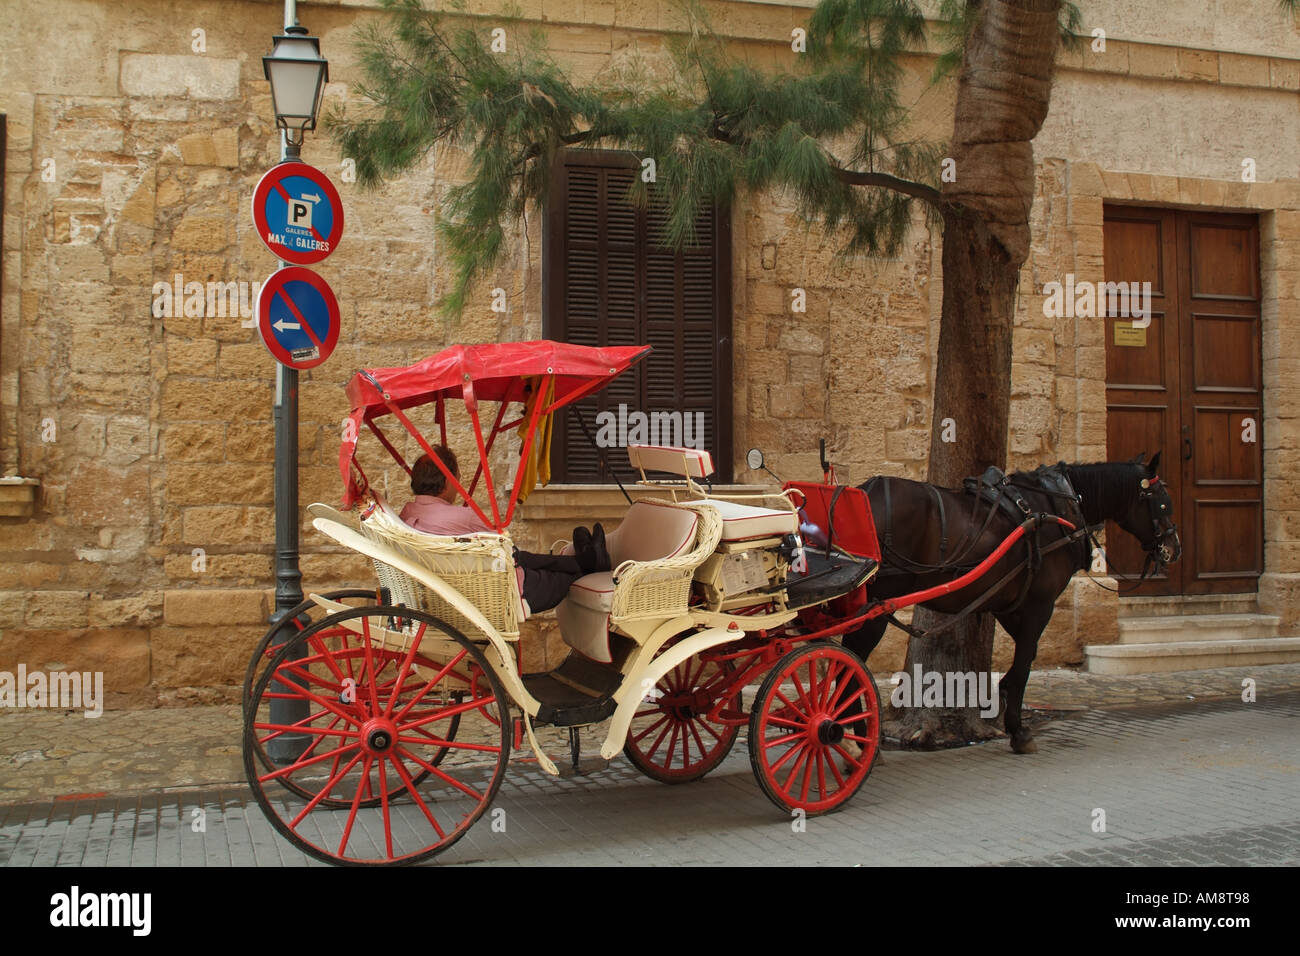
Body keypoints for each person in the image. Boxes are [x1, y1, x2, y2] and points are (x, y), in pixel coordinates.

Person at [399, 446, 609, 614]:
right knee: (555, 574)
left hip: (449, 592)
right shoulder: (462, 517)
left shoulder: (407, 514)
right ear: (447, 481)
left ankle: (583, 560)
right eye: (457, 478)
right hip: (502, 592)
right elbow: (508, 552)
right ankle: (589, 565)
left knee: (526, 559)